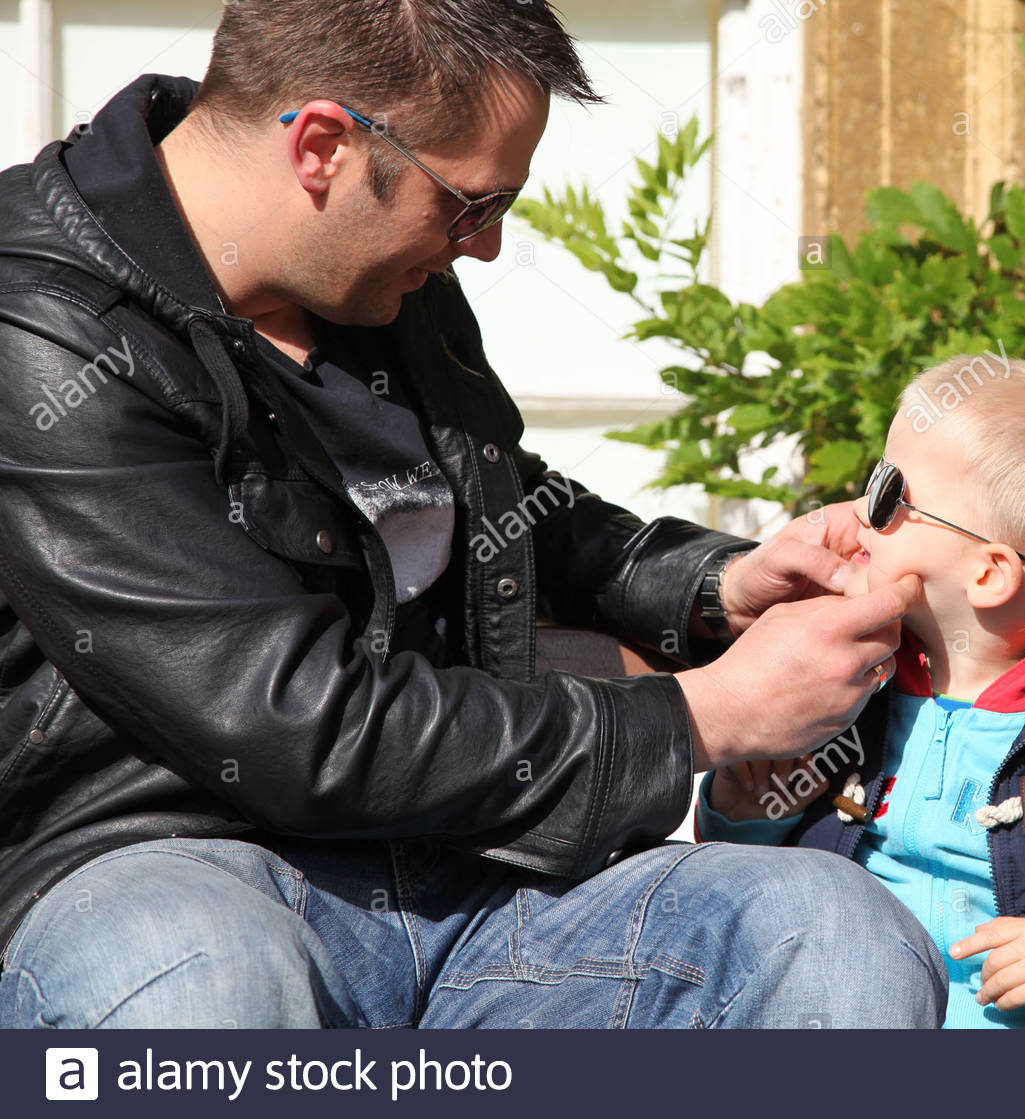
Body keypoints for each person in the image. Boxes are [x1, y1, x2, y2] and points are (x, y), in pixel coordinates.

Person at [0, 0, 948, 1029]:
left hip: (480, 881)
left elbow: (498, 506)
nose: (485, 247)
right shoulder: (44, 330)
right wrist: (705, 716)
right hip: (171, 877)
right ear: (322, 145)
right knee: (195, 975)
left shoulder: (379, 283)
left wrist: (720, 586)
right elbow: (290, 723)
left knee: (831, 930)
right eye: (468, 204)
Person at [698, 355, 1025, 1028]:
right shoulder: (849, 678)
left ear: (988, 575)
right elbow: (758, 880)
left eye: (891, 494)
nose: (862, 509)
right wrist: (745, 809)